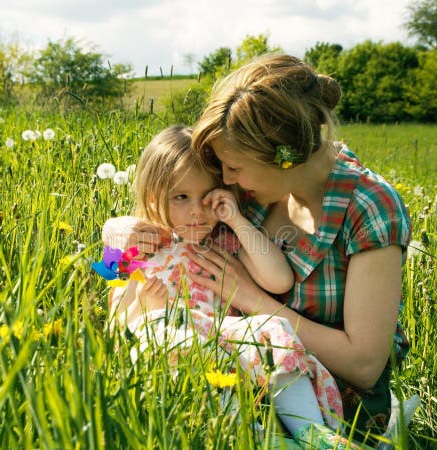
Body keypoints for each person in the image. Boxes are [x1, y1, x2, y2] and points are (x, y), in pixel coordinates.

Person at [103, 54, 411, 442]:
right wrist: (116, 233)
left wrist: (251, 299)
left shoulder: (369, 207)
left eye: (234, 167)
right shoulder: (250, 194)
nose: (225, 179)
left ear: (284, 156)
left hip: (335, 399)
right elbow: (161, 221)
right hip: (234, 368)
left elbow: (365, 366)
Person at [105, 125, 343, 436]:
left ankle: (314, 435)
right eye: (181, 197)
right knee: (177, 341)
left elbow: (279, 280)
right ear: (152, 200)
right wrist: (143, 305)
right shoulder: (139, 248)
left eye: (208, 197)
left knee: (274, 328)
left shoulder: (225, 241)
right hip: (172, 353)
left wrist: (236, 220)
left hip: (226, 347)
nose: (197, 212)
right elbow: (113, 331)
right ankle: (250, 436)